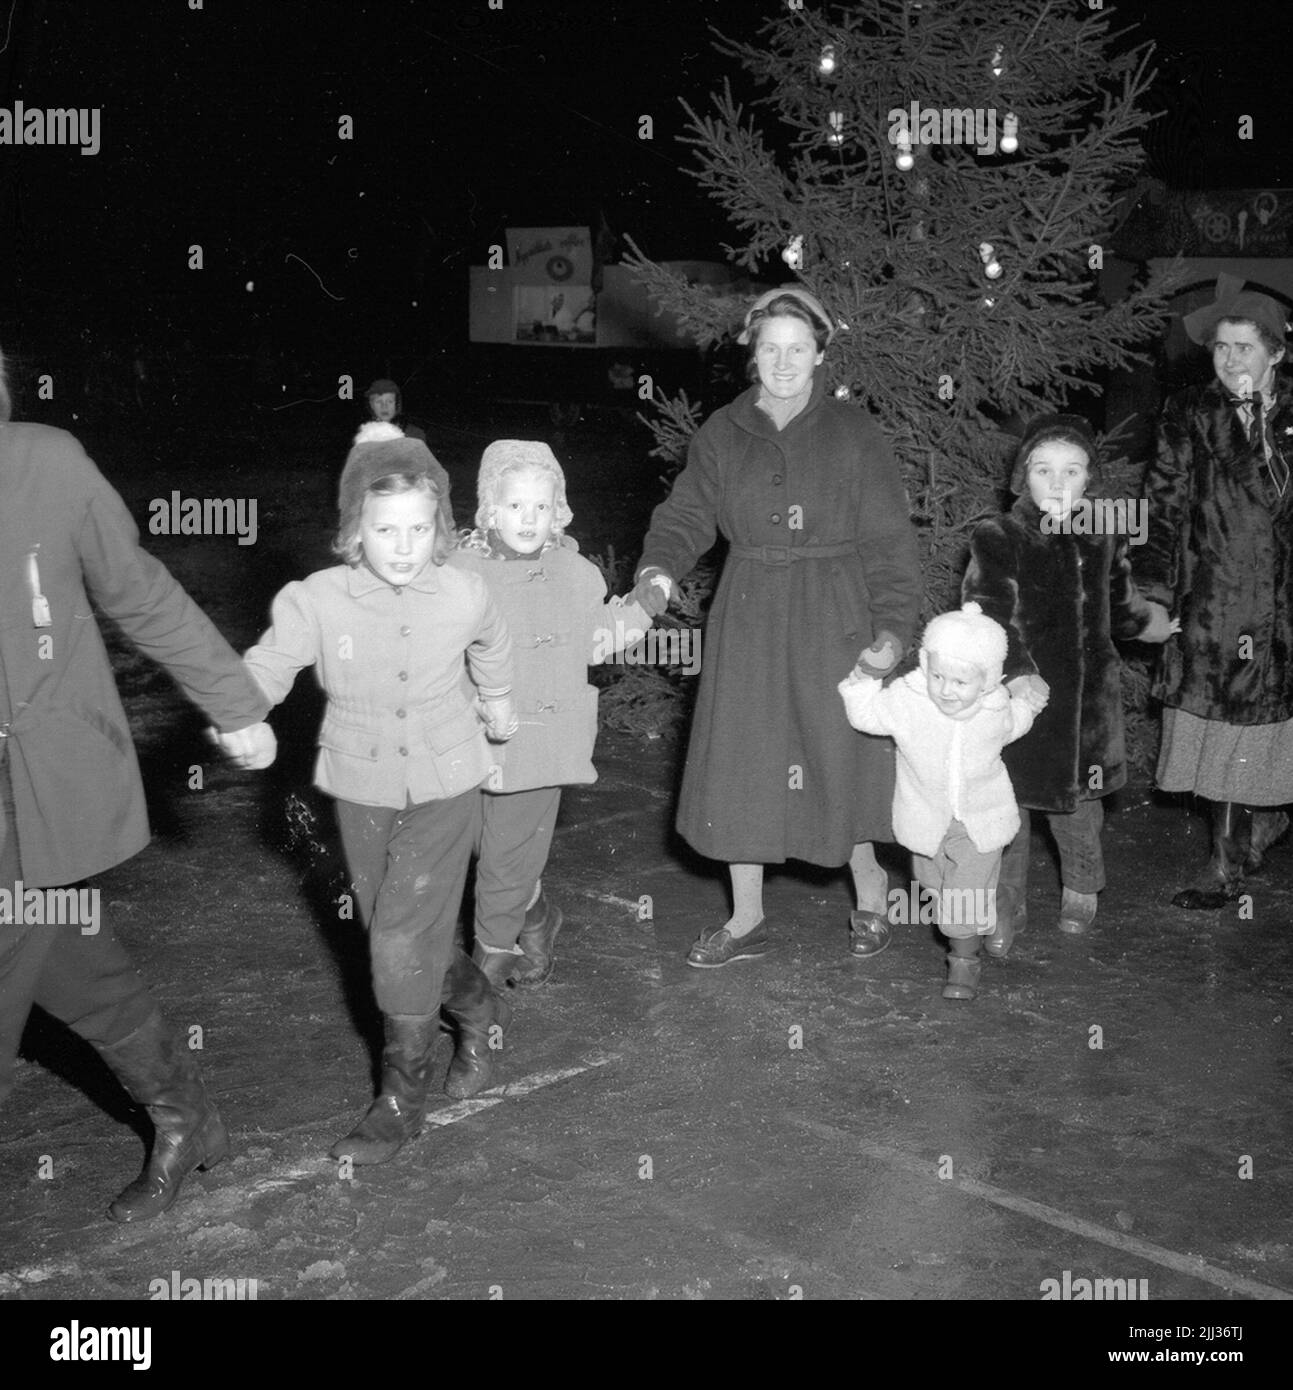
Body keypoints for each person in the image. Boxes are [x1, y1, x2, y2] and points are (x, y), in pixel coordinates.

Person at [0, 348, 277, 1222]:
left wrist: (233, 698)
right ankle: (186, 1117)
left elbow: (138, 589)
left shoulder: (44, 463)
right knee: (77, 967)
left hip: (32, 788)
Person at [239, 422, 517, 1164]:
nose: (402, 544)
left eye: (419, 528)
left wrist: (496, 699)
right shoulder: (318, 599)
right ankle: (476, 1001)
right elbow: (271, 662)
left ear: (441, 528)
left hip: (444, 780)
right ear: (352, 528)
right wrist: (238, 708)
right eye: (384, 528)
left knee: (399, 939)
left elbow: (492, 640)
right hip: (359, 784)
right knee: (389, 936)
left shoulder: (462, 591)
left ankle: (400, 1102)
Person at [633, 287, 922, 967]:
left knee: (837, 752)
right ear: (752, 354)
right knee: (746, 756)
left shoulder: (854, 434)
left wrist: (890, 631)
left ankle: (871, 890)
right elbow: (684, 519)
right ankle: (745, 914)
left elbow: (888, 541)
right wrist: (654, 575)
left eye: (798, 349)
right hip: (751, 612)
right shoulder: (722, 433)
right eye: (770, 348)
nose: (784, 362)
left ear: (820, 354)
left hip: (834, 610)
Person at [963, 415, 1176, 944]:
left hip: (1087, 704)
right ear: (1023, 478)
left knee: (1080, 807)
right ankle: (1003, 906)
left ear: (1089, 480)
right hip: (1022, 700)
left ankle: (1082, 889)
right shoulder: (1001, 536)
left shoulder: (1103, 534)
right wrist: (1014, 674)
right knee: (1008, 809)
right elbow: (986, 614)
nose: (1058, 484)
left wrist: (1151, 623)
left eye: (1072, 471)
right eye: (1044, 470)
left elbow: (1121, 605)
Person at [448, 440, 653, 988]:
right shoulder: (459, 573)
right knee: (478, 844)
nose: (528, 519)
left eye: (541, 507)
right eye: (515, 506)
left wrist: (645, 605)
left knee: (502, 864)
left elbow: (597, 640)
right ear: (490, 508)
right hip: (468, 739)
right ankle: (537, 917)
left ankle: (483, 982)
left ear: (557, 510)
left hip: (542, 741)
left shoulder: (576, 574)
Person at [1138, 276, 1293, 909]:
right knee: (1228, 731)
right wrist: (1151, 596)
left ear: (1277, 354)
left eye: (1245, 348)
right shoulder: (1189, 413)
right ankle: (1224, 867)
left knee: (1268, 736)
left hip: (1284, 608)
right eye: (1221, 348)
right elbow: (1162, 509)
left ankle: (1266, 821)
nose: (1231, 360)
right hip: (1218, 604)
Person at [839, 603, 1046, 1000]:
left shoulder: (994, 707)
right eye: (938, 676)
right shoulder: (909, 701)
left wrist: (1030, 699)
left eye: (961, 682)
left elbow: (1016, 723)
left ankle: (964, 963)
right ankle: (998, 899)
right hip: (925, 822)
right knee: (932, 887)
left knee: (960, 901)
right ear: (925, 664)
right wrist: (863, 678)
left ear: (988, 681)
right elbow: (867, 715)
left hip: (980, 823)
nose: (947, 690)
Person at [363, 377, 426, 442]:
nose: (384, 406)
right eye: (379, 401)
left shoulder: (415, 435)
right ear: (371, 405)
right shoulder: (364, 437)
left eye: (389, 401)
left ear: (396, 404)